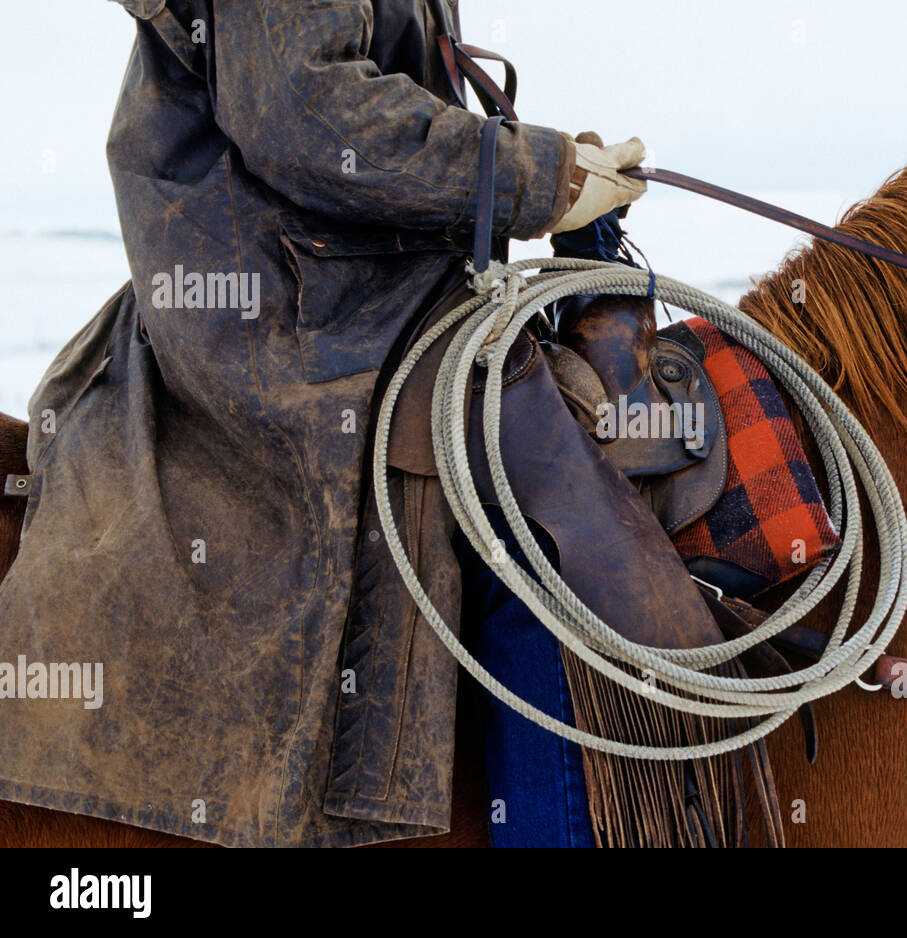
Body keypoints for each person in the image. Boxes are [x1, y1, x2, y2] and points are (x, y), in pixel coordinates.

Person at [0, 0, 647, 847]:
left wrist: (538, 170)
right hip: (300, 314)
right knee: (546, 522)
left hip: (337, 285)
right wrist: (528, 176)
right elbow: (305, 109)